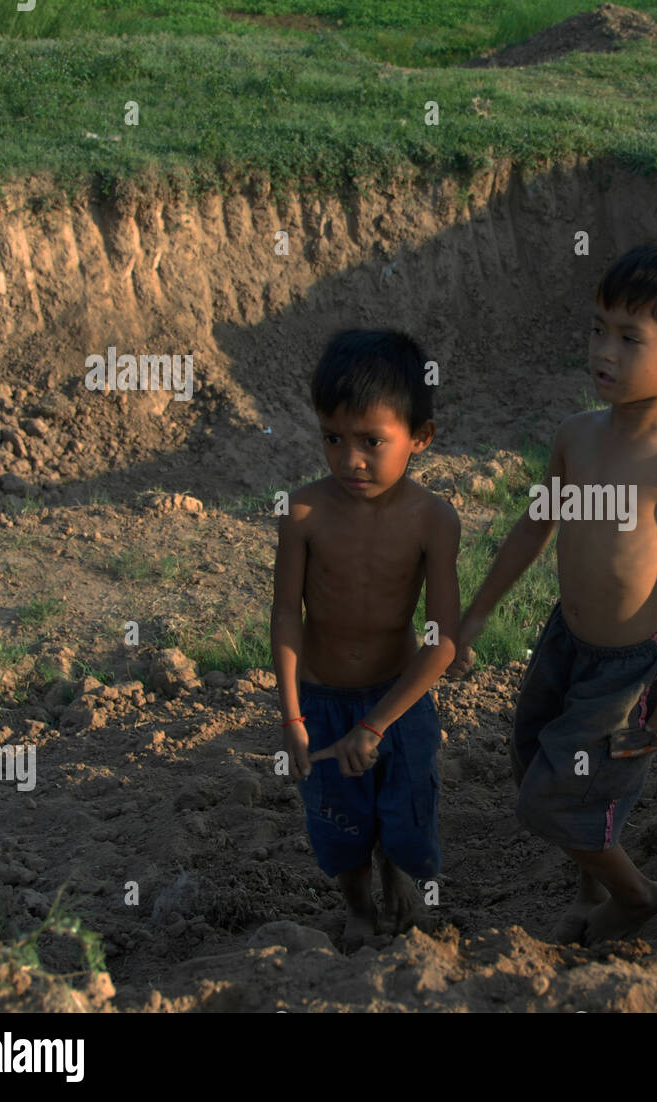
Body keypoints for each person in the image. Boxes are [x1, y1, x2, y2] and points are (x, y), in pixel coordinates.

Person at [449, 243, 657, 945]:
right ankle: (589, 874)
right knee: (530, 758)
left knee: (551, 800)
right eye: (597, 328)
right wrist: (476, 611)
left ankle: (635, 896)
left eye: (629, 337)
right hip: (563, 643)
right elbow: (534, 527)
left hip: (624, 667)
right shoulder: (576, 437)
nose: (603, 349)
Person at [271, 329, 459, 951]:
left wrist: (377, 724)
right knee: (338, 821)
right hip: (322, 704)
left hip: (398, 706)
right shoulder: (302, 514)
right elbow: (287, 617)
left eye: (371, 442)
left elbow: (443, 639)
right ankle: (356, 906)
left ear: (420, 438)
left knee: (406, 813)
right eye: (333, 438)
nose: (349, 459)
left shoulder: (432, 520)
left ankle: (398, 875)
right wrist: (294, 715)